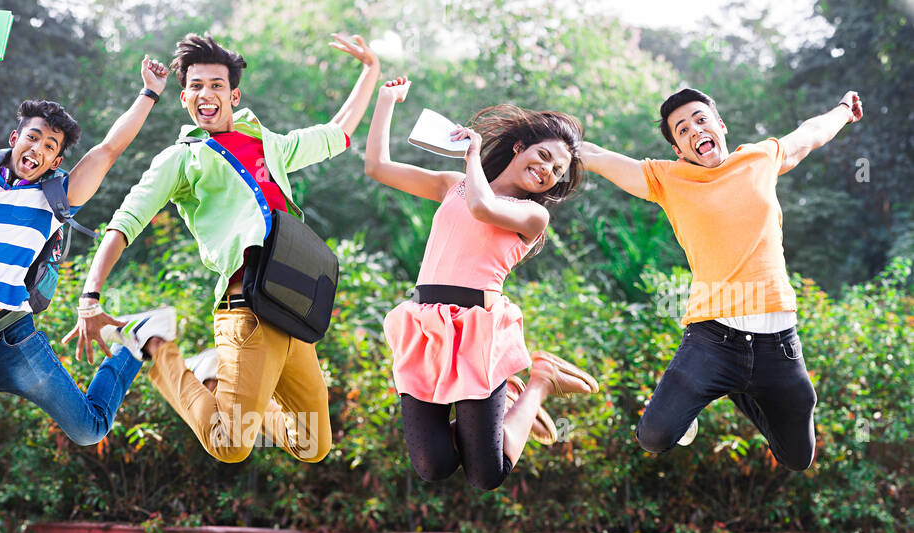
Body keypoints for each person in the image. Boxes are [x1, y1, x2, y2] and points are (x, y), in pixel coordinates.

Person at [69, 31, 381, 464]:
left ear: (234, 95)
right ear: (184, 98)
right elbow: (125, 222)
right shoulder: (183, 158)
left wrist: (371, 70)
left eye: (216, 85)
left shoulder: (271, 146)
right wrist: (89, 298)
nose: (206, 94)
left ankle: (216, 376)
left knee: (313, 444)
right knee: (230, 445)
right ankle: (155, 342)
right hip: (247, 310)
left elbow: (338, 132)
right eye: (196, 86)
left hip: (292, 312)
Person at [0, 2, 173, 472]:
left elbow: (108, 149)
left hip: (15, 340)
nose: (39, 148)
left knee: (90, 429)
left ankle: (131, 342)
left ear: (55, 161)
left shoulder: (56, 198)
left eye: (50, 146)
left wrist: (148, 93)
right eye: (33, 137)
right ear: (15, 138)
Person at [580, 87, 864, 468]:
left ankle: (738, 389)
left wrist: (844, 109)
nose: (695, 130)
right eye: (682, 130)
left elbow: (809, 134)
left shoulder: (760, 158)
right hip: (714, 340)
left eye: (701, 120)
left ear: (720, 125)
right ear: (678, 150)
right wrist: (545, 143)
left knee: (798, 458)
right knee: (654, 436)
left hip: (778, 344)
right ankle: (717, 386)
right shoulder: (667, 179)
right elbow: (597, 157)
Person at [364, 76, 599, 489]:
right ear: (519, 147)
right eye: (543, 155)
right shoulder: (451, 186)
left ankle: (540, 381)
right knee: (433, 465)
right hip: (426, 325)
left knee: (486, 474)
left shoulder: (533, 216)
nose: (547, 170)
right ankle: (505, 401)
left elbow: (482, 207)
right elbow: (377, 167)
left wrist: (472, 154)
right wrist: (386, 101)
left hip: (478, 330)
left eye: (557, 171)